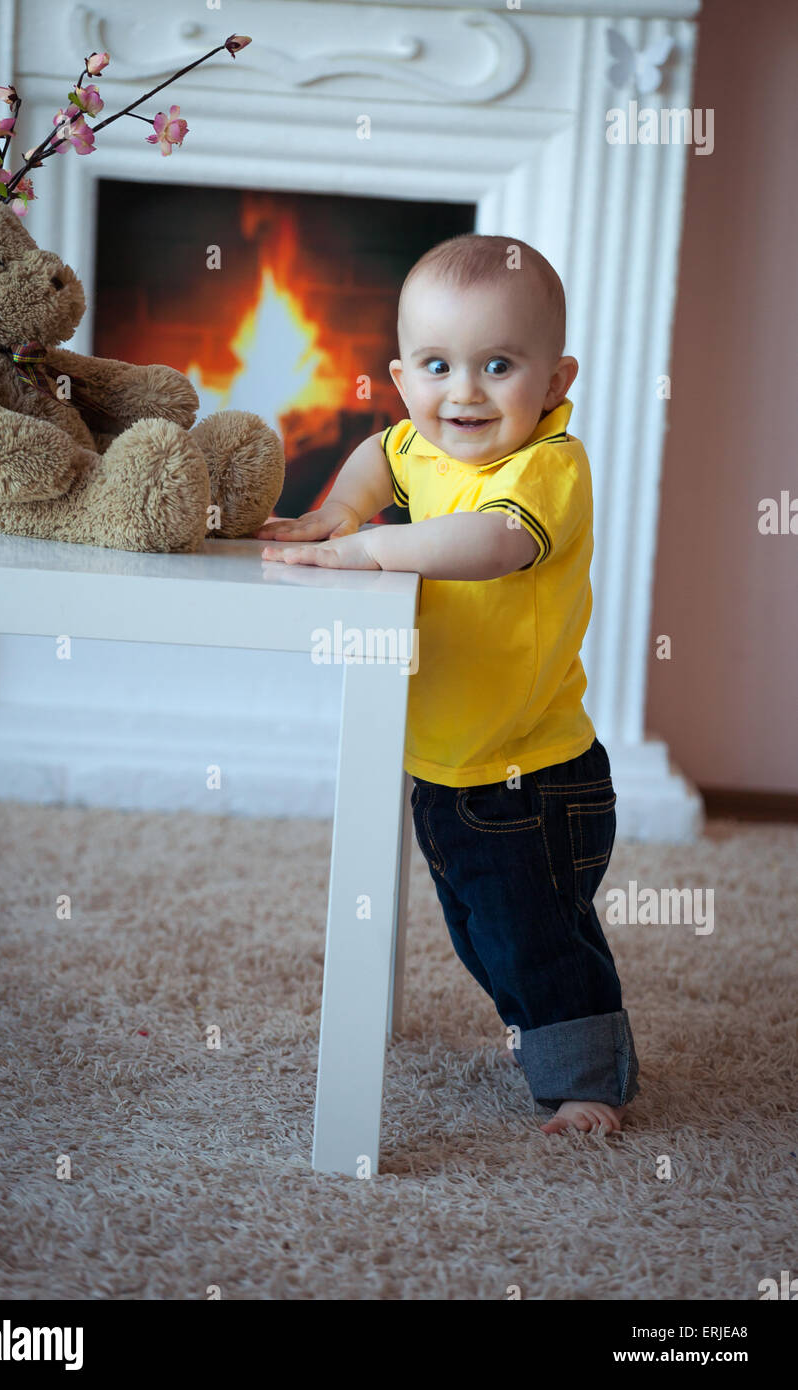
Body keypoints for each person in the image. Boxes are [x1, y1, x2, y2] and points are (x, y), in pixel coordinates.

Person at [257, 233, 640, 1134]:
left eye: (498, 365)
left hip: (533, 776)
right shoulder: (418, 446)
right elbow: (377, 459)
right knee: (481, 931)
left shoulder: (545, 468)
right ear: (402, 377)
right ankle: (543, 1030)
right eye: (437, 366)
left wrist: (370, 548)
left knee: (536, 938)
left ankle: (589, 1079)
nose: (462, 392)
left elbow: (488, 546)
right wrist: (337, 512)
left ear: (553, 382)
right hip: (449, 769)